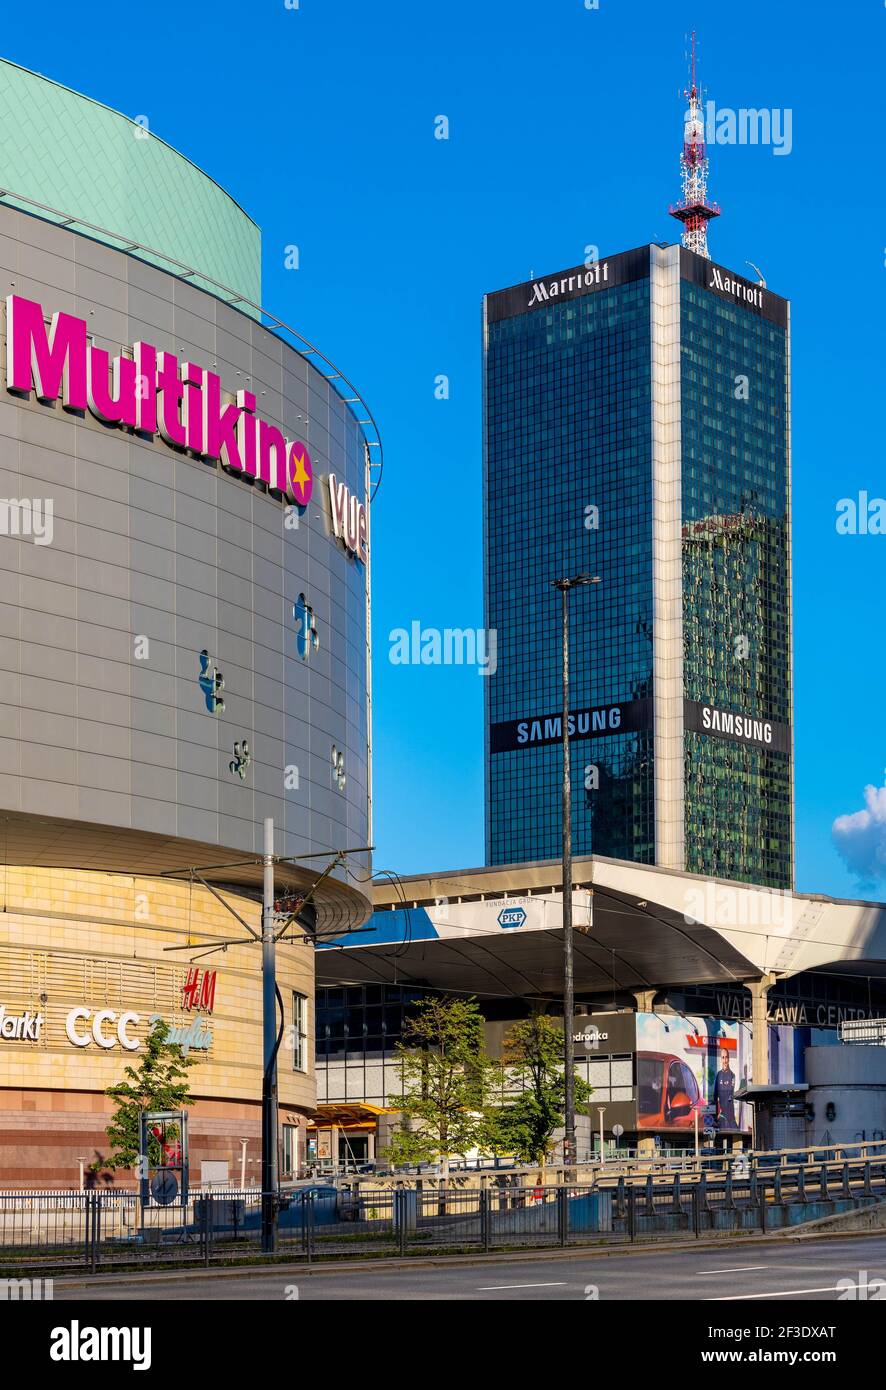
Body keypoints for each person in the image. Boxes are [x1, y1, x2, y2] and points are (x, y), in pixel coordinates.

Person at [713, 1046, 737, 1130]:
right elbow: (715, 1097)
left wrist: (722, 1111)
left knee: (735, 1133)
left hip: (730, 1115)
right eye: (723, 1058)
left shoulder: (732, 1075)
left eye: (726, 1057)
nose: (725, 1060)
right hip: (721, 1115)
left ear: (729, 1059)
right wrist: (715, 1115)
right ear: (721, 1059)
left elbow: (729, 1094)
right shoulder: (718, 1075)